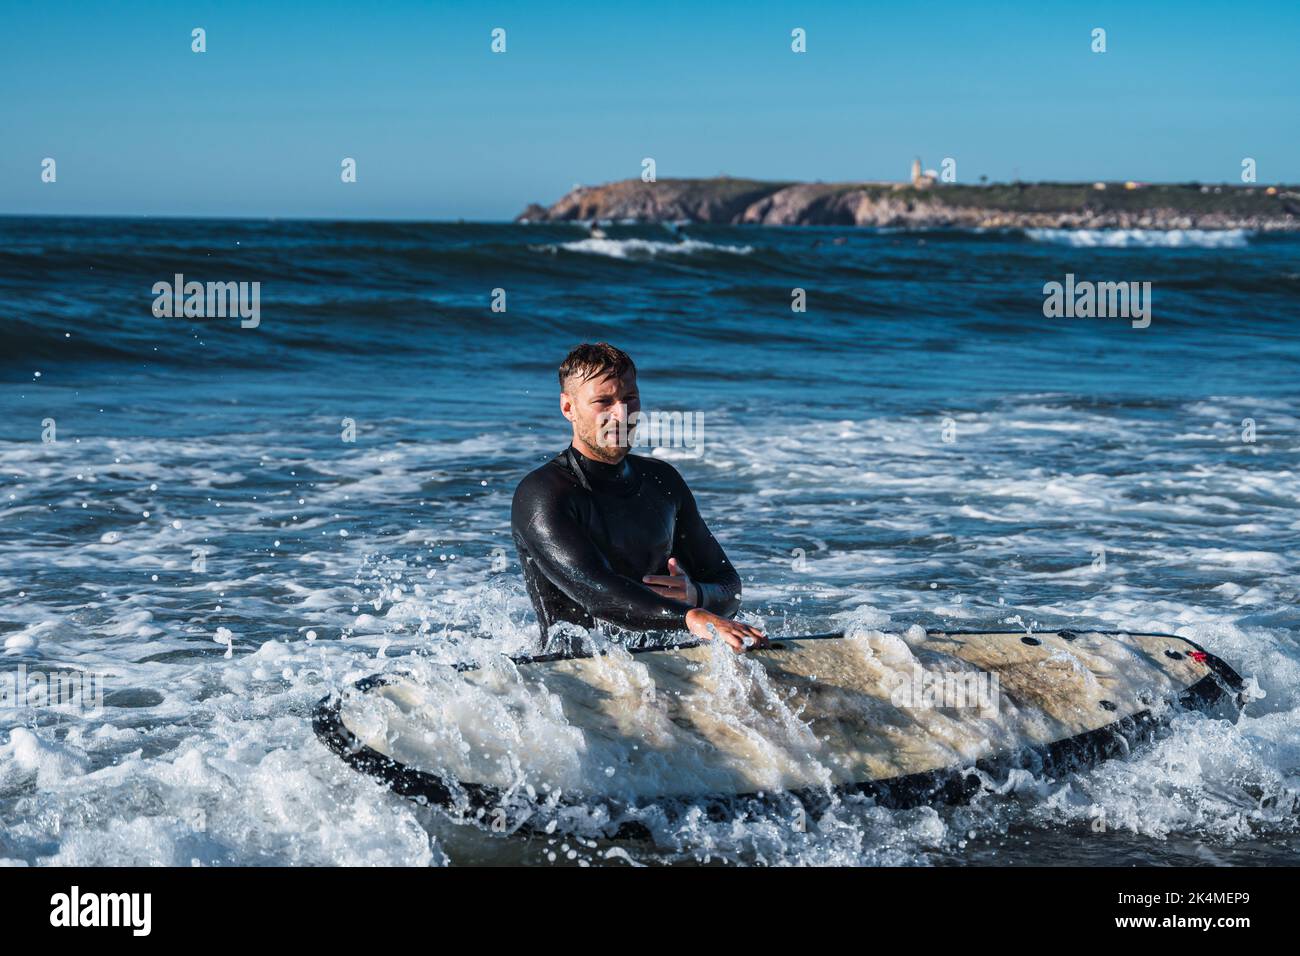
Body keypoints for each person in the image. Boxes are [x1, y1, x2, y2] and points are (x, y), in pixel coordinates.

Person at [511, 343, 766, 652]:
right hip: (576, 677)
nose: (622, 414)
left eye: (630, 398)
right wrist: (692, 617)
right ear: (568, 408)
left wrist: (696, 595)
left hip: (664, 668)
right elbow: (597, 594)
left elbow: (728, 584)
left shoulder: (662, 481)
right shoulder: (543, 494)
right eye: (603, 401)